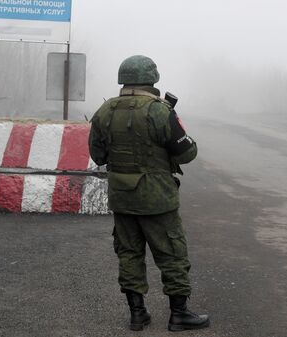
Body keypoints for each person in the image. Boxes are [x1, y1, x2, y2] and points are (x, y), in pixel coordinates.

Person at [88, 55, 210, 332]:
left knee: (129, 254)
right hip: (157, 200)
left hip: (122, 198)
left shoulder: (104, 112)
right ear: (152, 78)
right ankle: (179, 315)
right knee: (172, 254)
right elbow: (187, 153)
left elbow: (97, 156)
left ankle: (137, 314)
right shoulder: (160, 111)